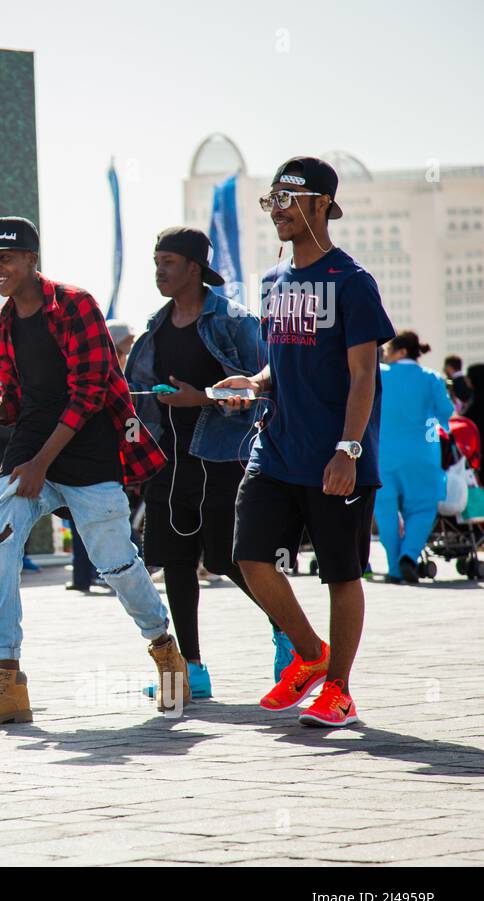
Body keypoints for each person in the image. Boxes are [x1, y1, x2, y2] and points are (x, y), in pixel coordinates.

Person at [0, 217, 183, 725]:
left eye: (5, 258)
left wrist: (42, 463)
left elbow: (92, 389)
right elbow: (18, 399)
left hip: (88, 448)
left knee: (117, 564)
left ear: (32, 259)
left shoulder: (75, 304)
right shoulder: (0, 326)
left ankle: (166, 649)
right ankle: (9, 680)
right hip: (30, 449)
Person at [214, 156, 395, 728]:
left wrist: (349, 448)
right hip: (277, 448)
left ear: (323, 204)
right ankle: (309, 653)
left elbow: (364, 376)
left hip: (336, 456)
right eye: (273, 199)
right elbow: (279, 367)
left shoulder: (353, 282)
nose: (279, 211)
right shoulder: (272, 282)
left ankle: (339, 688)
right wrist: (251, 382)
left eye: (290, 198)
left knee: (341, 574)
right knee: (247, 556)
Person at [126, 226, 280, 699]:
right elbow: (132, 394)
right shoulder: (153, 326)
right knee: (175, 561)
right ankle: (190, 669)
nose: (159, 271)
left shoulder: (234, 320)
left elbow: (267, 387)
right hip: (168, 460)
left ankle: (290, 632)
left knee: (225, 555)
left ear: (195, 268)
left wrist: (205, 399)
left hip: (222, 454)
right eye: (156, 262)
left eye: (168, 262)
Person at [374, 330, 455, 584]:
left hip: (383, 455)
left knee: (385, 510)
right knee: (422, 508)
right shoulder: (432, 378)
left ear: (401, 351)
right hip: (422, 455)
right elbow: (447, 412)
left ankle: (394, 568)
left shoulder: (380, 375)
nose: (384, 355)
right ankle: (409, 556)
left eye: (388, 351)